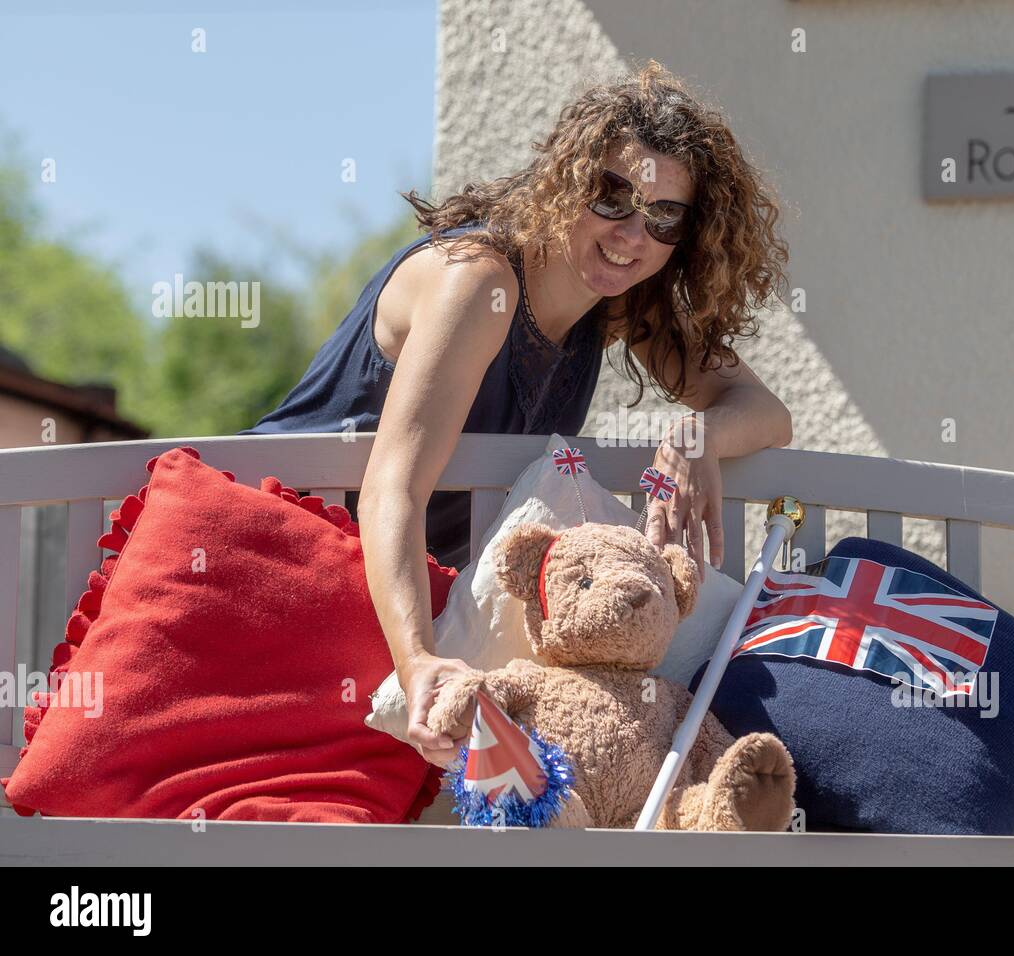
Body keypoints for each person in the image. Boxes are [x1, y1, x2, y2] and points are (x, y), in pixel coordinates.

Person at [240, 60, 793, 767]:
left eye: (664, 218)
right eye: (613, 196)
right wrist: (417, 666)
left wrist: (694, 434)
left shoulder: (618, 303)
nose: (631, 235)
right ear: (567, 180)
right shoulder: (478, 280)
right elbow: (393, 487)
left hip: (394, 593)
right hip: (280, 564)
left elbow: (764, 411)